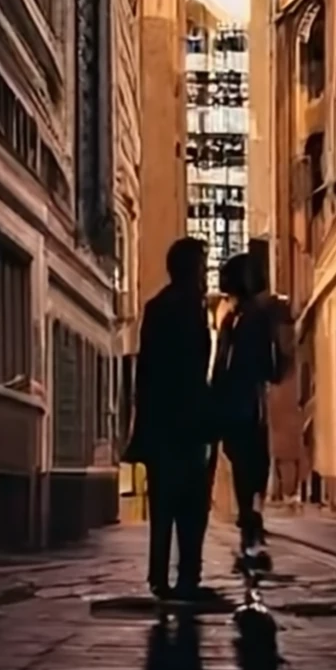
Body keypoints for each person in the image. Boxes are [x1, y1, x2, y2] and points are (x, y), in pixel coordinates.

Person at [125, 237, 212, 600]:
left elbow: (144, 370)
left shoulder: (155, 307)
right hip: (188, 422)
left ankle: (158, 576)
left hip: (160, 423)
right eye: (202, 267)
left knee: (162, 506)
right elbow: (194, 366)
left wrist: (143, 422)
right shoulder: (192, 306)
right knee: (191, 505)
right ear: (192, 269)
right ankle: (188, 576)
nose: (205, 274)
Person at [210, 253, 285, 567]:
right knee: (254, 465)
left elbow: (220, 367)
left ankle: (249, 524)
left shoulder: (232, 318)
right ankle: (251, 524)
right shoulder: (256, 316)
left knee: (244, 467)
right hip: (249, 404)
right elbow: (271, 366)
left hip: (234, 404)